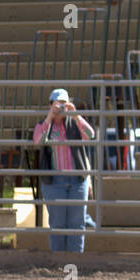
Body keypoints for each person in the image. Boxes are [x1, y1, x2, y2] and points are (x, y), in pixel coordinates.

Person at [32, 88, 99, 252]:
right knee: (57, 224)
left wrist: (75, 114)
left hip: (77, 180)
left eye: (64, 103)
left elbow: (91, 135)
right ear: (50, 105)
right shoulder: (43, 124)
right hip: (54, 182)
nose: (60, 108)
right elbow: (38, 141)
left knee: (77, 225)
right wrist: (50, 116)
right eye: (57, 104)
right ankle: (59, 263)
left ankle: (75, 262)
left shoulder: (75, 123)